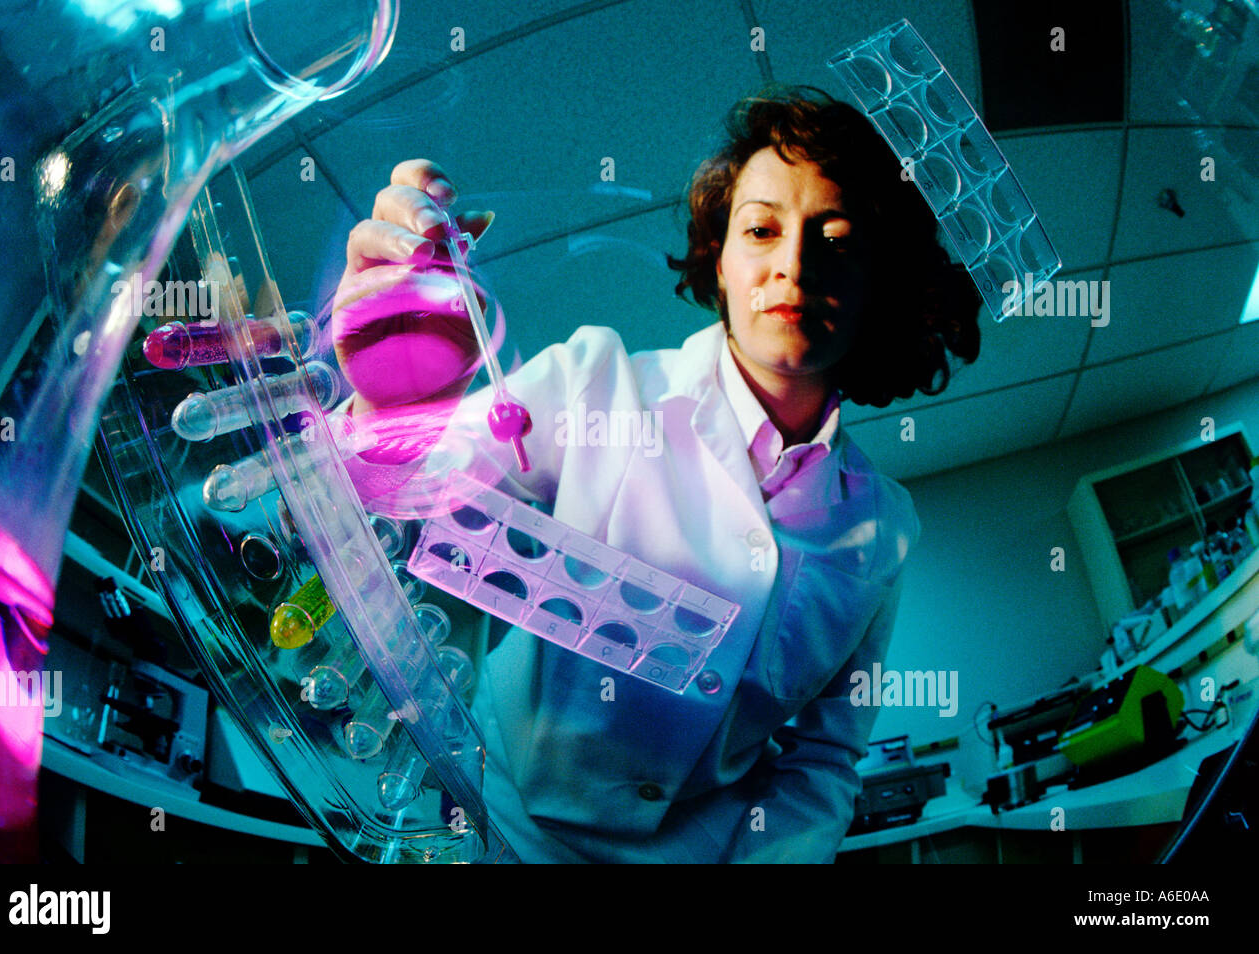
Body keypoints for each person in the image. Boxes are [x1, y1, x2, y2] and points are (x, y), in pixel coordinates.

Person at [331, 86, 982, 862]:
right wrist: (390, 400)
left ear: (878, 282)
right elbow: (394, 533)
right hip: (505, 834)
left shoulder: (883, 529)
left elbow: (821, 761)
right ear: (720, 255)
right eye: (761, 229)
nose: (794, 265)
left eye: (836, 238)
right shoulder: (593, 382)